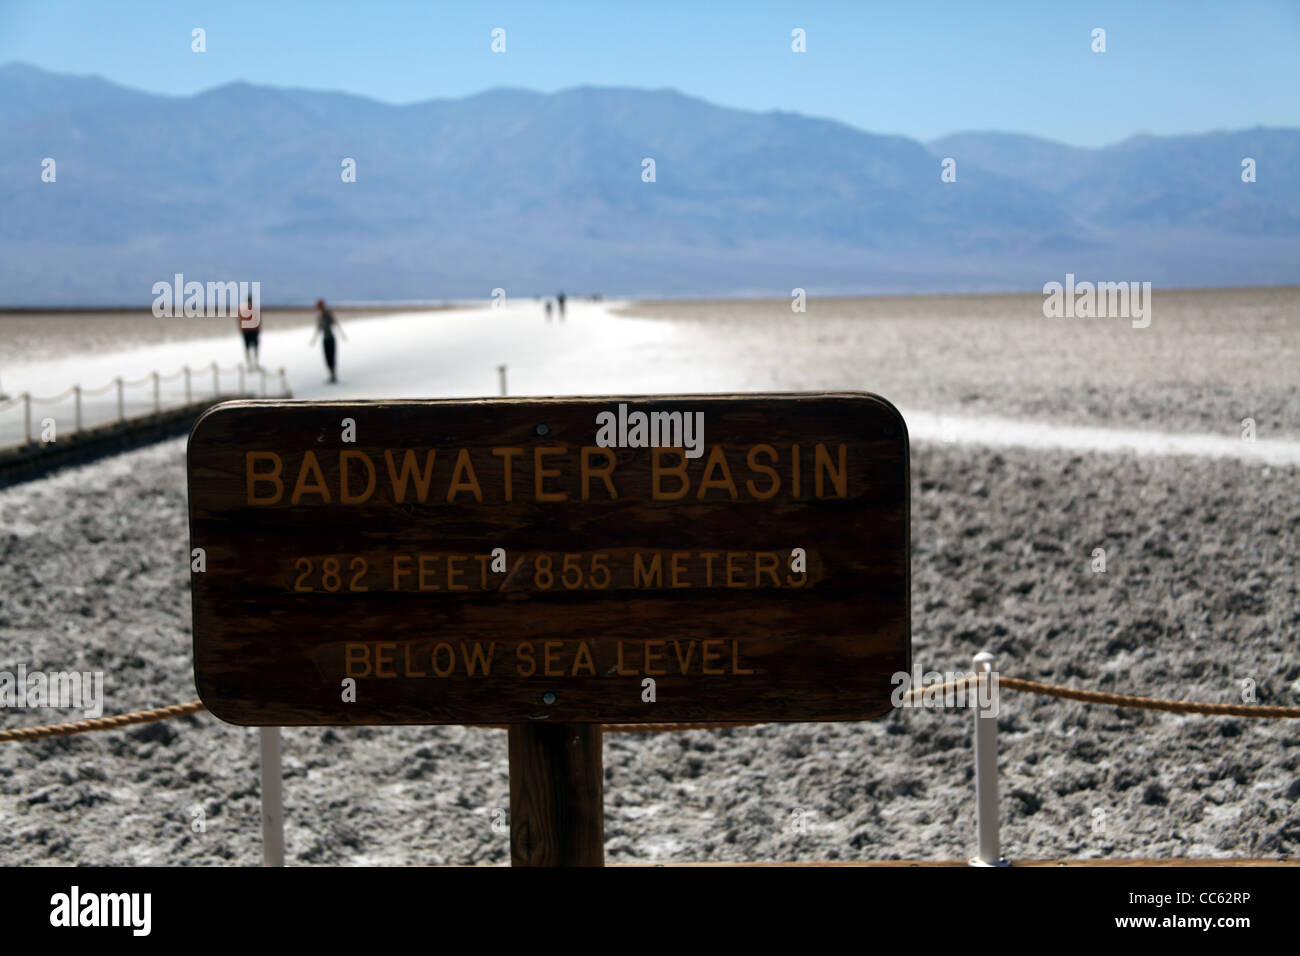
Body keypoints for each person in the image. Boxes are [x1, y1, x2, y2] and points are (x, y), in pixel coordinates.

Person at [308, 299, 347, 383]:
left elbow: (335, 322)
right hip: (325, 339)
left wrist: (342, 334)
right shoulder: (319, 316)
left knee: (332, 357)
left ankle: (333, 376)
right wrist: (314, 339)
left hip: (331, 338)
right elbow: (319, 328)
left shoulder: (328, 313)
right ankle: (331, 375)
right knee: (327, 358)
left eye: (319, 306)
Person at [237, 293, 261, 370]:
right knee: (252, 348)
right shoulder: (251, 309)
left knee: (251, 348)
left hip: (250, 330)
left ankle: (253, 363)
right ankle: (252, 364)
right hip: (250, 330)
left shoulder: (250, 309)